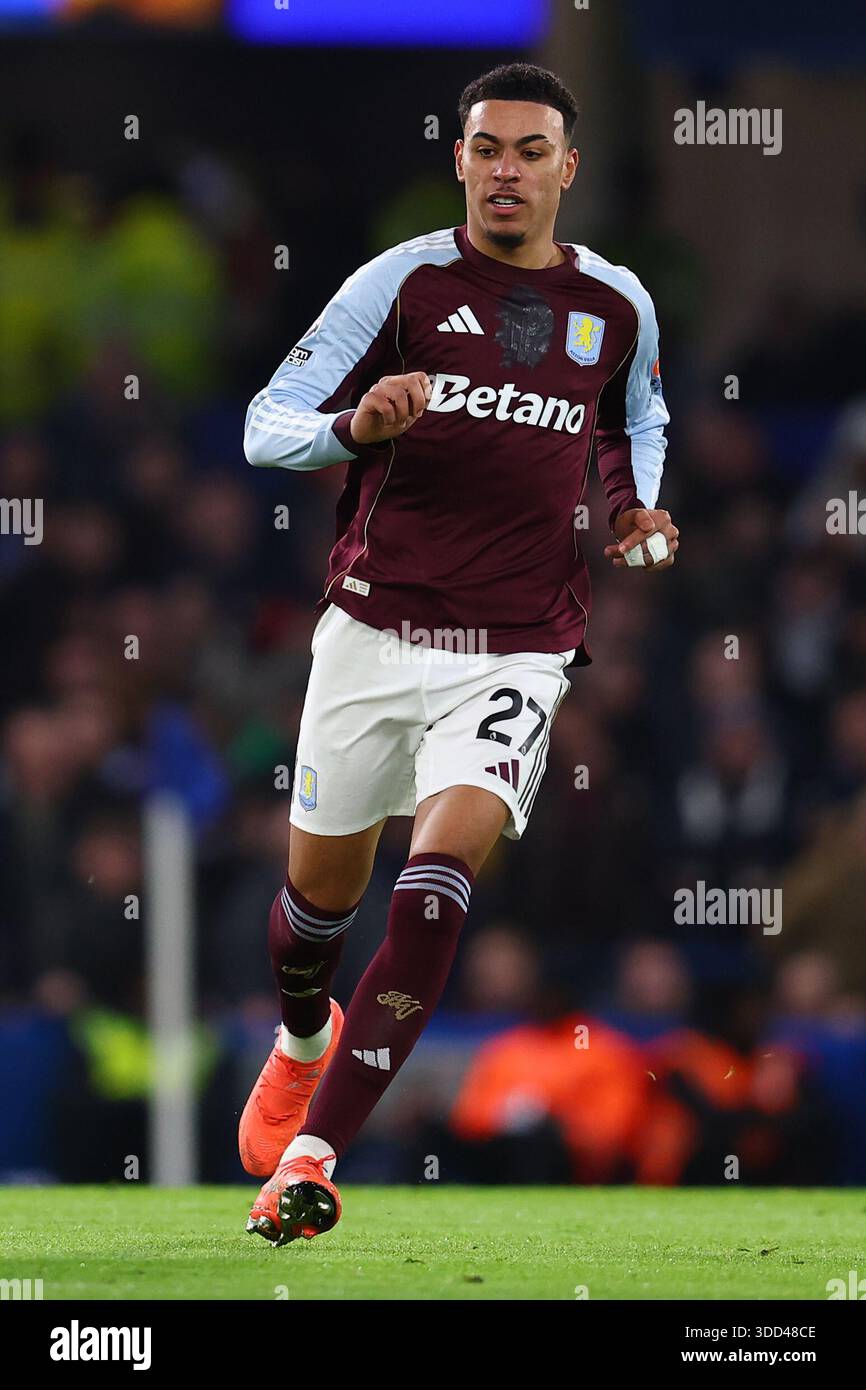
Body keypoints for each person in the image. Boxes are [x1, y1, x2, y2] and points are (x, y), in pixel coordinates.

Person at [240, 61, 678, 1244]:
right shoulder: (400, 283)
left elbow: (632, 412)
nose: (506, 170)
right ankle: (299, 1036)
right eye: (487, 149)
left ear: (564, 170)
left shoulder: (614, 303)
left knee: (435, 886)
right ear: (460, 161)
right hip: (374, 633)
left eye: (530, 152)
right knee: (315, 910)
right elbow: (262, 422)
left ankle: (314, 1155)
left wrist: (635, 505)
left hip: (517, 651)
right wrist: (348, 425)